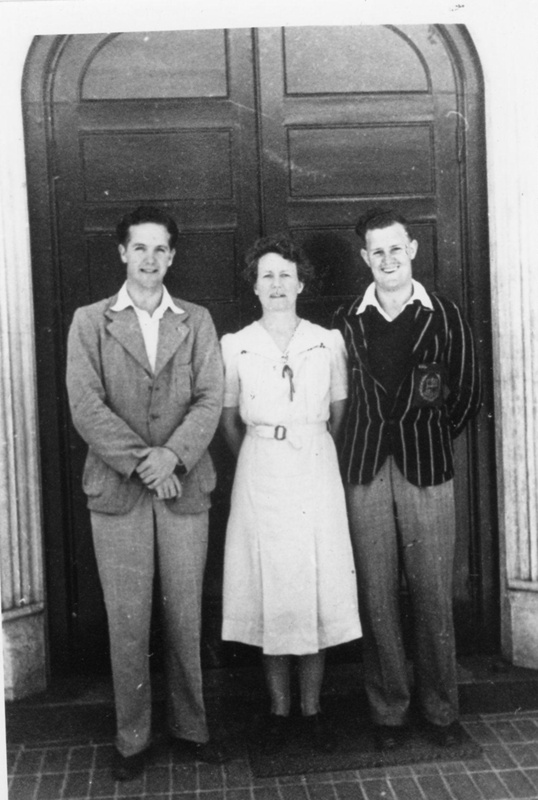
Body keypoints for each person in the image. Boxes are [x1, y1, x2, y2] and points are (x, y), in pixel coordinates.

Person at [66, 206, 225, 781]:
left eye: (161, 249)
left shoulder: (197, 321)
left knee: (185, 615)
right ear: (122, 253)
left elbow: (210, 398)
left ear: (173, 256)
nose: (150, 260)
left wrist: (174, 456)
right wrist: (146, 463)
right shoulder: (91, 322)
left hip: (184, 488)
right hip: (119, 492)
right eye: (140, 248)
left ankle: (191, 728)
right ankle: (131, 738)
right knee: (127, 620)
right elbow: (86, 407)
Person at [333, 208, 481, 750]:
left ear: (412, 249)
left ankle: (441, 710)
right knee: (376, 593)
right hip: (366, 471)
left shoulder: (444, 315)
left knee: (432, 594)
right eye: (377, 251)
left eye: (397, 249)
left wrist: (430, 439)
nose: (388, 259)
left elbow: (466, 393)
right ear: (365, 257)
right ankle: (388, 710)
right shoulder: (347, 319)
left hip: (427, 470)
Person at [220, 234, 361, 753]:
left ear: (302, 283)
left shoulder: (328, 341)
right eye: (267, 276)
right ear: (254, 287)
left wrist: (308, 443)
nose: (277, 285)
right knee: (271, 583)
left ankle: (313, 708)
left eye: (286, 275)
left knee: (315, 580)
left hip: (315, 467)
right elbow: (228, 420)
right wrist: (264, 451)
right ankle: (280, 711)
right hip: (260, 470)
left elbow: (341, 413)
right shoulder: (235, 344)